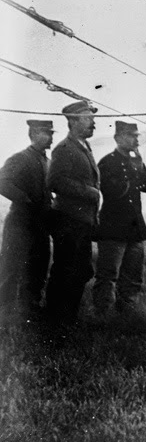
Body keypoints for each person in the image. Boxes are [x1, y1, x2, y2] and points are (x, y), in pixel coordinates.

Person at [92, 121, 146, 320]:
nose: (136, 140)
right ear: (118, 138)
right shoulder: (107, 162)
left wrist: (139, 167)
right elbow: (113, 191)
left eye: (137, 136)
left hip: (134, 227)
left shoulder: (136, 161)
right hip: (113, 226)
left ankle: (127, 312)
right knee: (108, 274)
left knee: (133, 275)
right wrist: (134, 174)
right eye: (132, 136)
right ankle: (103, 314)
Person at [44, 101, 101, 327]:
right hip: (69, 222)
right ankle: (56, 323)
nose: (93, 123)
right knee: (65, 273)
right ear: (73, 121)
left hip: (82, 222)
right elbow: (55, 181)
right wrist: (89, 192)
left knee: (80, 272)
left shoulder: (83, 147)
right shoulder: (64, 149)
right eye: (88, 119)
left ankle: (67, 321)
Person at [0, 119, 54, 324]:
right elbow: (2, 182)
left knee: (38, 266)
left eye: (51, 133)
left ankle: (29, 309)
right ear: (32, 134)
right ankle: (4, 311)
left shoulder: (48, 162)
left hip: (40, 224)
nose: (50, 137)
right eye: (45, 133)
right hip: (20, 223)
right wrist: (25, 200)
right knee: (11, 265)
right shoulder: (20, 159)